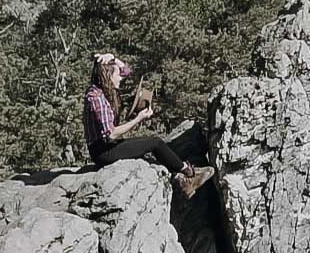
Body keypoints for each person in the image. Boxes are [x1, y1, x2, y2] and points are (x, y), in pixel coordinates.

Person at [83, 53, 214, 198]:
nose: (121, 77)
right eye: (117, 75)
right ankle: (189, 175)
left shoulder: (100, 89)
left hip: (105, 146)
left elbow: (127, 71)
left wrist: (113, 57)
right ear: (107, 77)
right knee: (155, 143)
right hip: (103, 152)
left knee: (149, 149)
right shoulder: (96, 98)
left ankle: (181, 179)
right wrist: (138, 119)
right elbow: (111, 134)